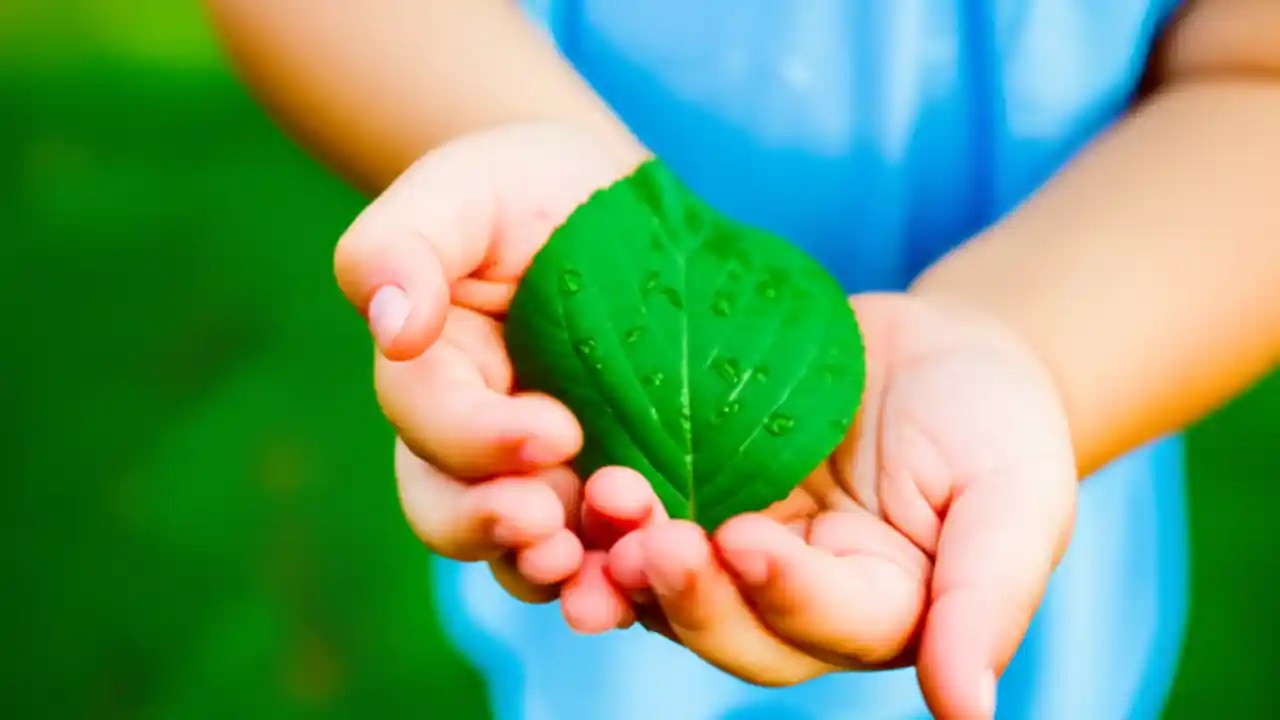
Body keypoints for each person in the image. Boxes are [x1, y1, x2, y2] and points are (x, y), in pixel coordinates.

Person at [207, 1, 1280, 718]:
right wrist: (583, 217)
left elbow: (1256, 66)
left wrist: (1031, 351)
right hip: (600, 509)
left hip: (1065, 428)